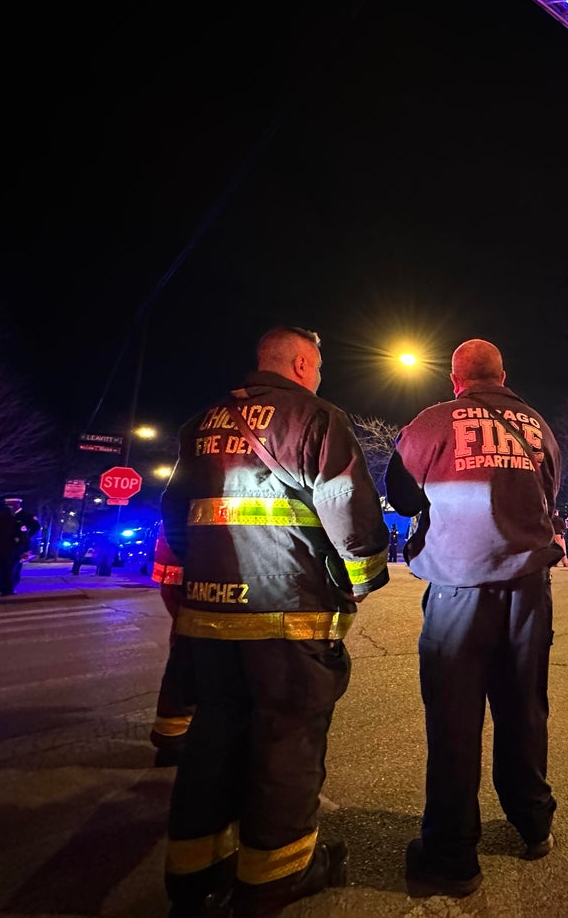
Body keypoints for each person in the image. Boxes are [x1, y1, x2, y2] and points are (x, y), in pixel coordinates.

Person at [159, 325, 390, 918]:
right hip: (289, 611)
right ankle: (277, 873)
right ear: (299, 362)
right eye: (315, 367)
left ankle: (194, 871)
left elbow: (175, 511)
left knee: (213, 734)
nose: (318, 377)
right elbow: (347, 506)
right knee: (286, 737)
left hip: (209, 615)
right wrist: (363, 578)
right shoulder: (314, 417)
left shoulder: (204, 422)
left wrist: (198, 572)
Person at [383, 338, 562, 898]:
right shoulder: (538, 425)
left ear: (453, 378)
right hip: (529, 590)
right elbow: (549, 492)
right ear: (503, 374)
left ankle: (452, 856)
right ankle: (533, 823)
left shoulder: (431, 423)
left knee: (455, 721)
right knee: (524, 708)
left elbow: (403, 499)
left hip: (458, 591)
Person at [148, 523, 194, 769]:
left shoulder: (186, 485)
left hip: (181, 573)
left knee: (185, 647)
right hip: (218, 573)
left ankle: (172, 735)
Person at [4, 496, 41, 591]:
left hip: (19, 545)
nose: (9, 508)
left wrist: (26, 536)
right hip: (7, 544)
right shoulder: (7, 516)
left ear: (16, 505)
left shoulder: (26, 516)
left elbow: (36, 527)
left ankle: (12, 585)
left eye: (10, 506)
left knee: (15, 566)